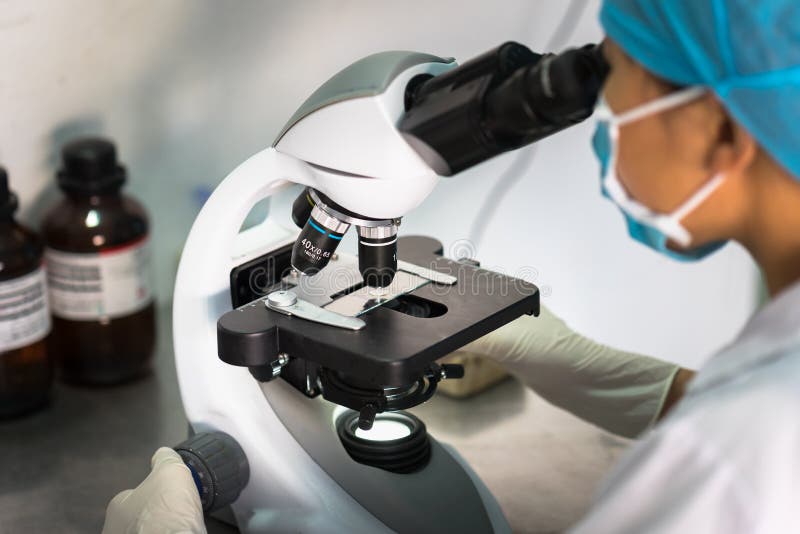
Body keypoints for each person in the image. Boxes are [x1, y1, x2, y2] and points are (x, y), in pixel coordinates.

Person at [103, 0, 800, 532]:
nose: (606, 115)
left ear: (720, 132)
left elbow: (728, 449)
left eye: (616, 76)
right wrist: (588, 369)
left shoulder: (728, 464)